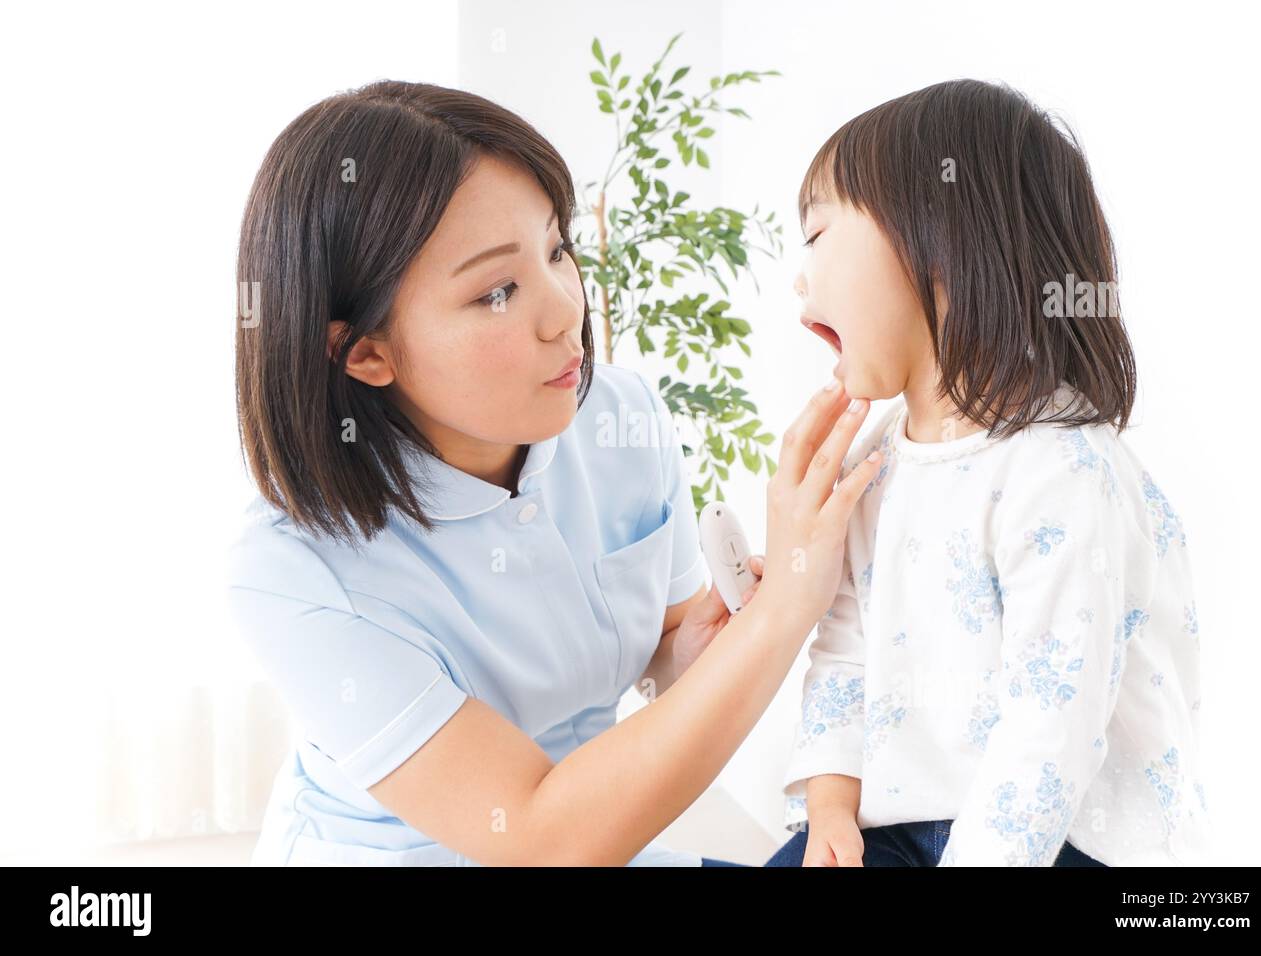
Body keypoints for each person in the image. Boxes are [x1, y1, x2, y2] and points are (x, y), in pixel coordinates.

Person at [227, 80, 884, 866]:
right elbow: (540, 837)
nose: (563, 310)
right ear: (363, 352)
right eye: (497, 292)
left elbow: (662, 649)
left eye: (557, 249)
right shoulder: (292, 568)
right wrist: (786, 610)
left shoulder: (619, 417)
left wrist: (701, 646)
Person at [769, 79, 1216, 866]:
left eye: (816, 236)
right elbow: (843, 644)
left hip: (1075, 833)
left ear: (933, 240)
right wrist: (831, 806)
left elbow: (1052, 728)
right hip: (907, 826)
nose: (800, 280)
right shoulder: (878, 459)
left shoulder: (1061, 469)